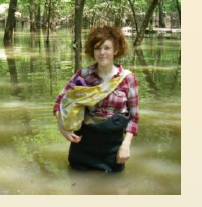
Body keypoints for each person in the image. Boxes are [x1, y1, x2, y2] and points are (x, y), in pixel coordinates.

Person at [54, 26, 139, 172]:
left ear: (116, 50)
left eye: (107, 48)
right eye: (98, 48)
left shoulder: (128, 79)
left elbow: (134, 117)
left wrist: (125, 146)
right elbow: (59, 104)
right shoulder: (83, 76)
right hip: (82, 148)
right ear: (92, 51)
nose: (102, 53)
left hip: (114, 151)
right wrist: (64, 130)